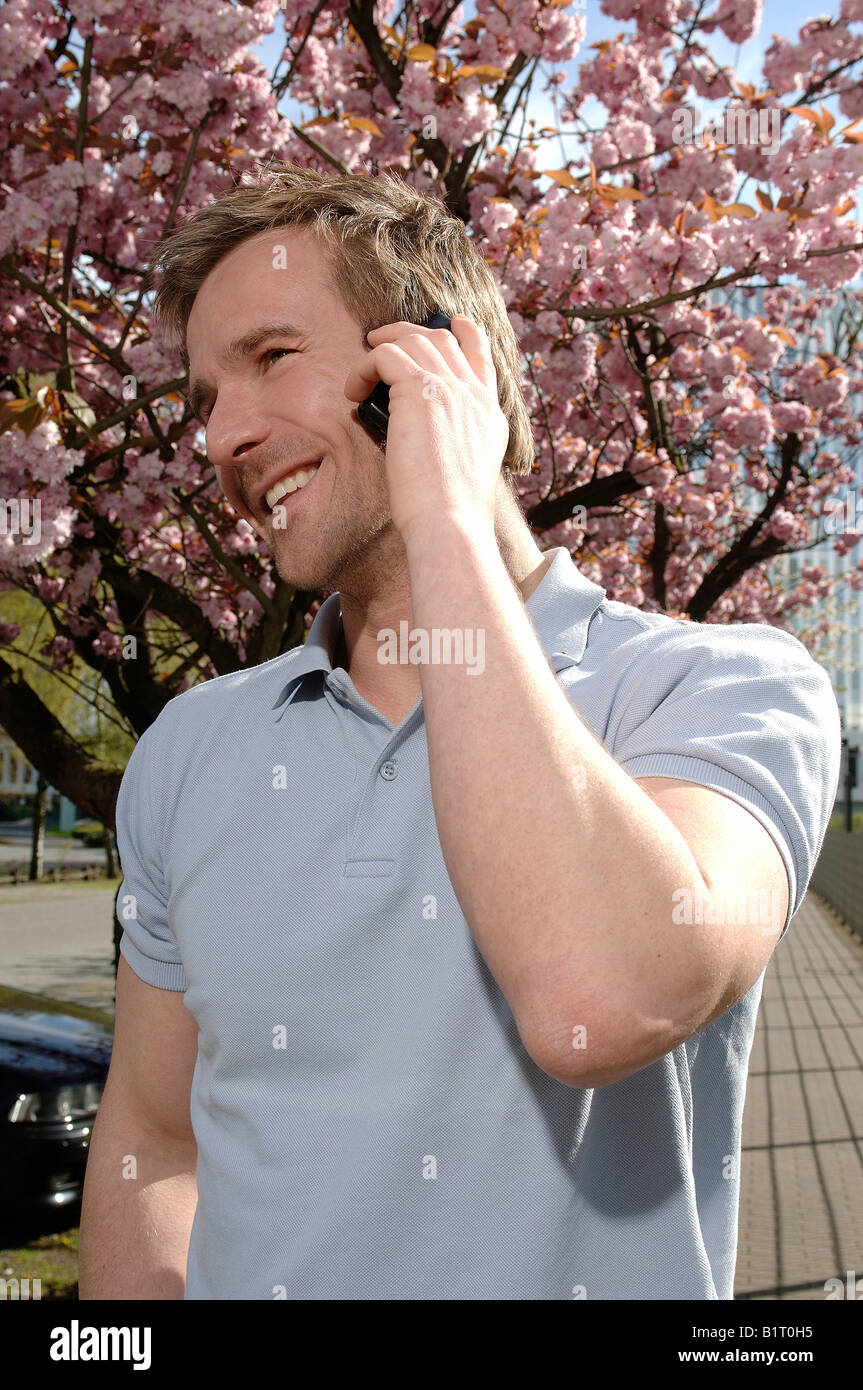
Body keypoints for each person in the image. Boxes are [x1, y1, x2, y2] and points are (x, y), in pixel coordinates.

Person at [78, 163, 841, 1301]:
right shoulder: (187, 749)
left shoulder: (721, 687)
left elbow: (599, 1005)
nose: (221, 438)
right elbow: (152, 1130)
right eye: (202, 402)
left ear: (432, 365)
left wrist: (444, 508)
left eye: (272, 359)